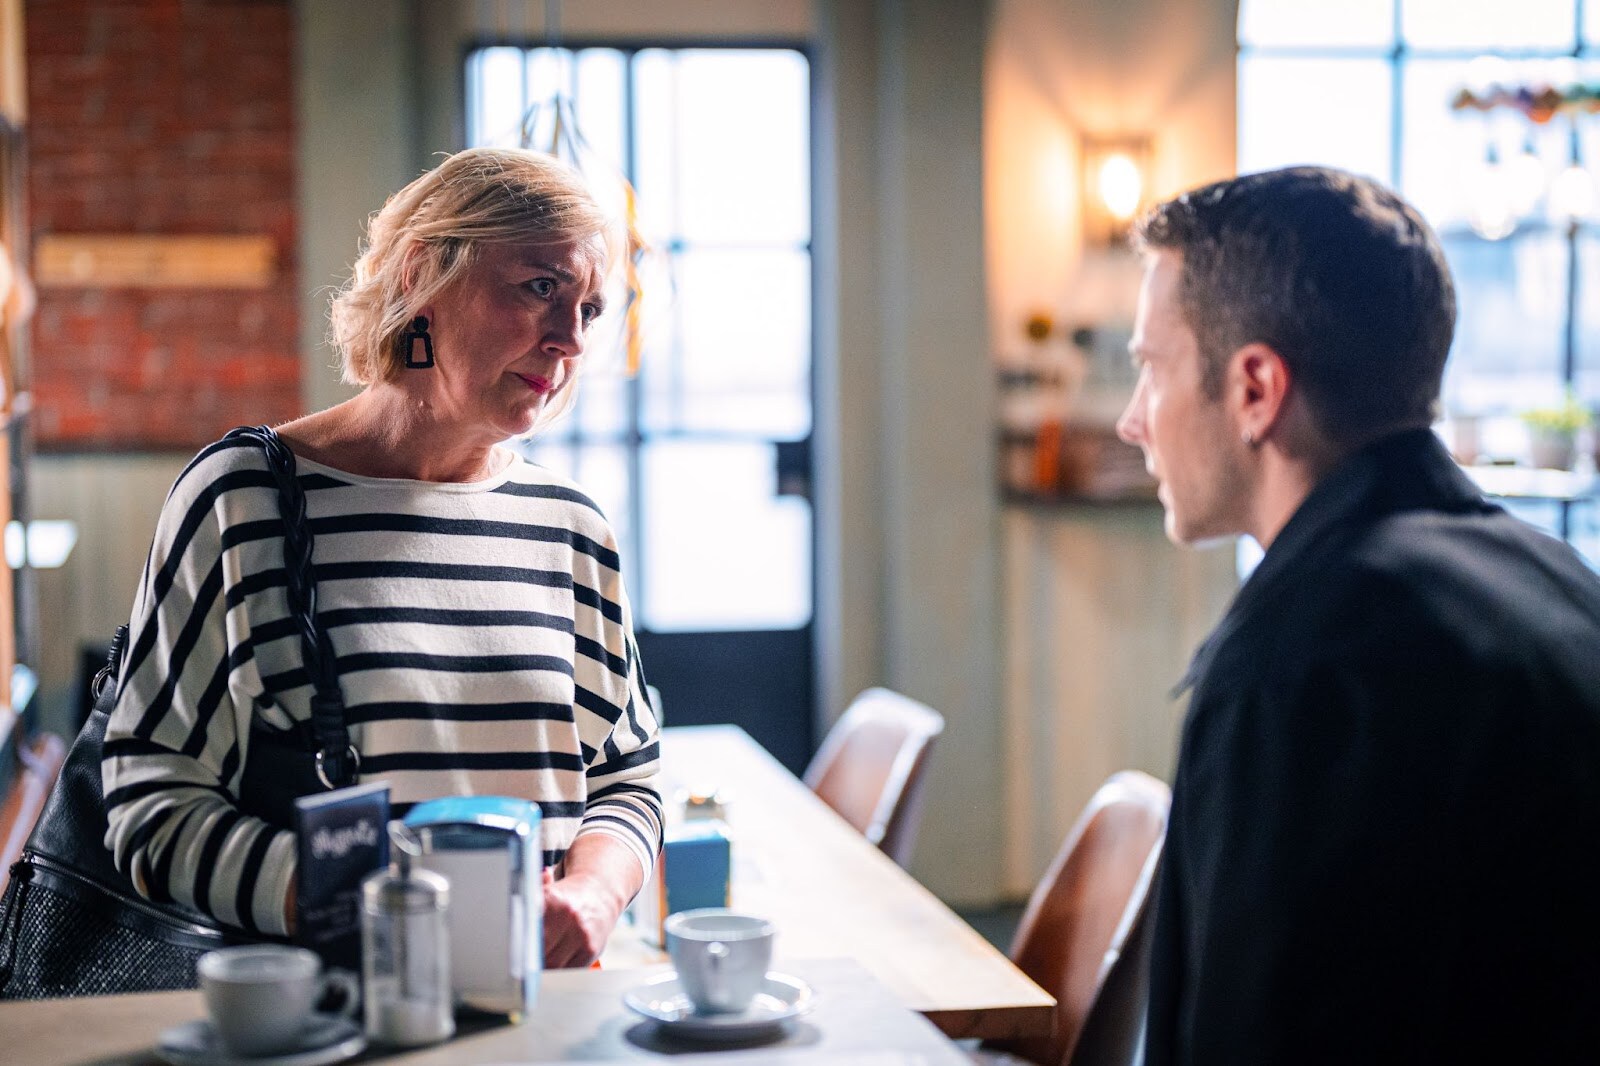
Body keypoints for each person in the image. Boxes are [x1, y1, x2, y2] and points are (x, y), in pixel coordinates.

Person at [101, 147, 662, 968]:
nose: (569, 338)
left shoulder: (570, 525)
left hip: (541, 1025)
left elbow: (628, 778)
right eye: (541, 287)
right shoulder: (244, 496)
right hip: (326, 1025)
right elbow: (150, 799)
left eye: (590, 308)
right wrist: (365, 911)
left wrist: (595, 896)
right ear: (420, 275)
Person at [1118, 166, 1600, 1063]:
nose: (1131, 420)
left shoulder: (1297, 663)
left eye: (1149, 368)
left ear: (1255, 388)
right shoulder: (1567, 586)